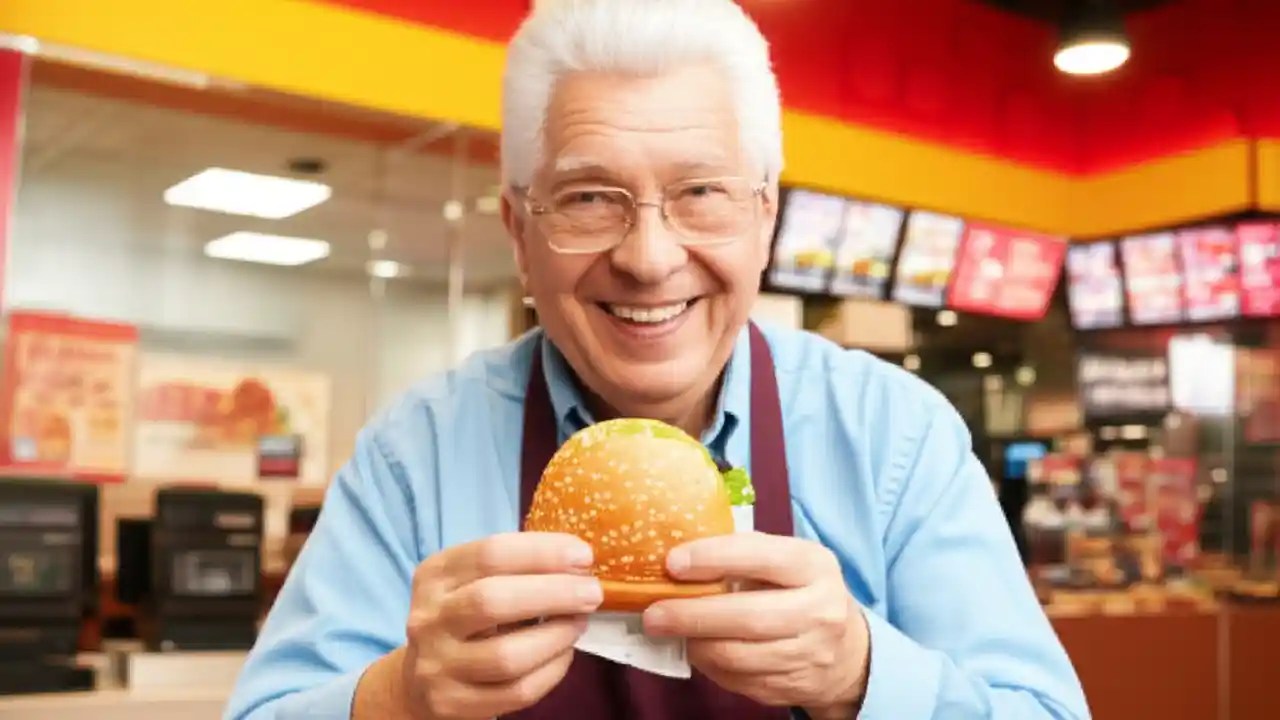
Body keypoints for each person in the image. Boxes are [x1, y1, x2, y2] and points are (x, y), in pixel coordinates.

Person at [223, 1, 1090, 718]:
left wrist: (865, 675)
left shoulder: (893, 437)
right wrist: (399, 697)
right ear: (519, 235)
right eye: (589, 198)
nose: (648, 256)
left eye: (701, 192)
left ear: (764, 219)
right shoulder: (416, 453)